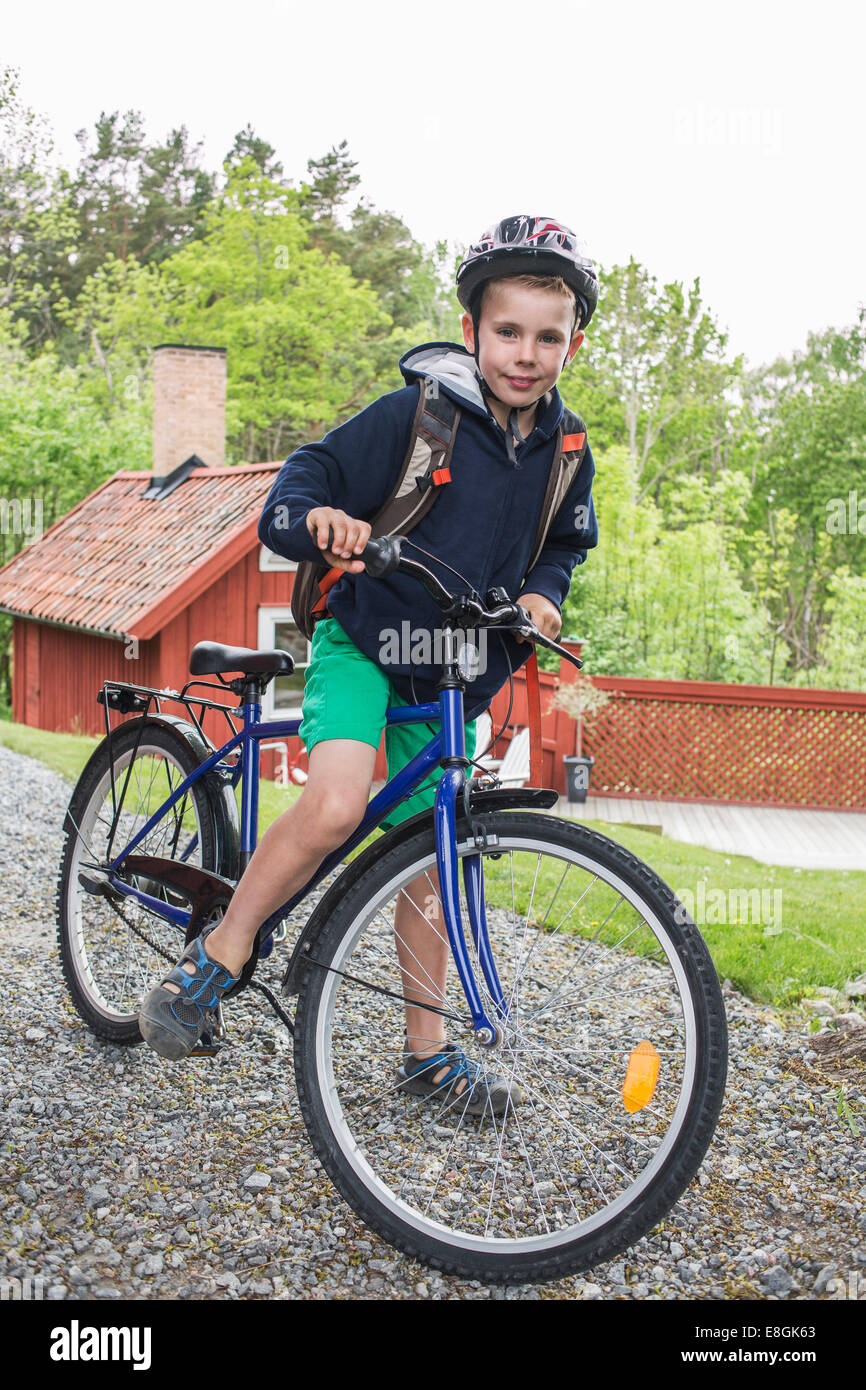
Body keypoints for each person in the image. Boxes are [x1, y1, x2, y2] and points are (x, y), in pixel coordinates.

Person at [139, 215, 600, 1114]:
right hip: (366, 643)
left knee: (434, 859)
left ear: (572, 343)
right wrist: (323, 521)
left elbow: (565, 546)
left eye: (549, 337)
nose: (526, 354)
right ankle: (217, 958)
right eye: (508, 331)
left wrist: (545, 593)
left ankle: (425, 1054)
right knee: (340, 804)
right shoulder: (417, 416)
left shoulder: (568, 450)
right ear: (472, 331)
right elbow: (301, 483)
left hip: (458, 666)